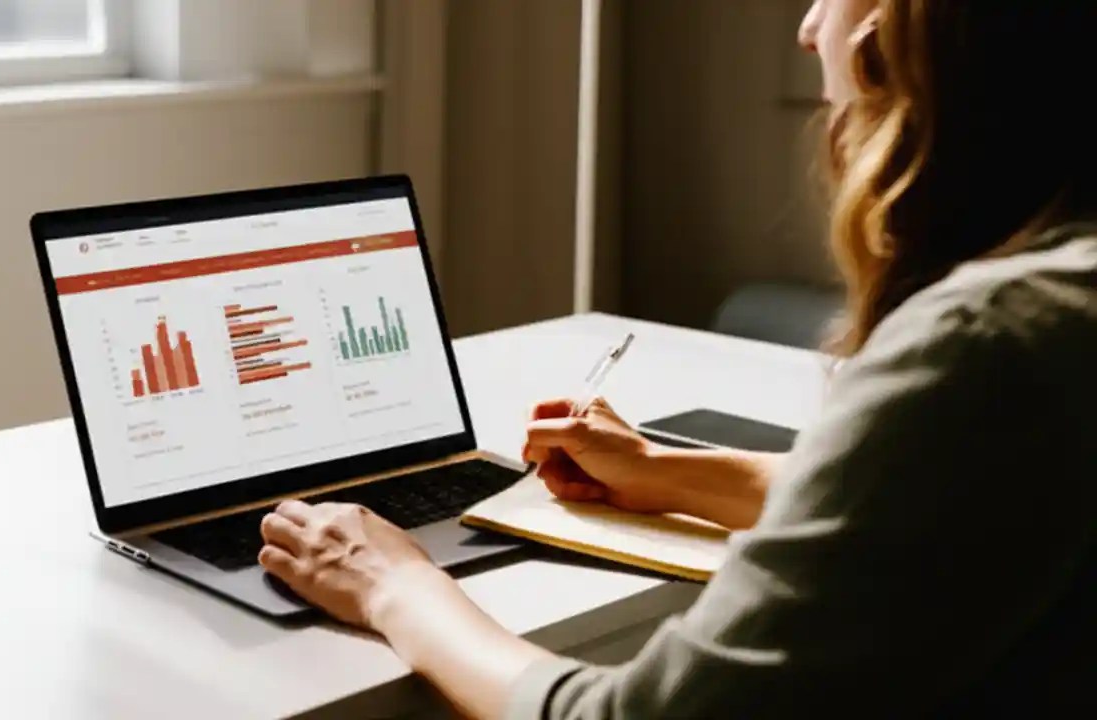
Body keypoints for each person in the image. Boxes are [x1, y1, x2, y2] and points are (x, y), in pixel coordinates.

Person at [258, 1, 1096, 716]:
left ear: (897, 34)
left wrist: (392, 587)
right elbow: (938, 497)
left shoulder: (985, 341)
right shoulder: (1056, 303)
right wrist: (665, 470)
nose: (809, 30)